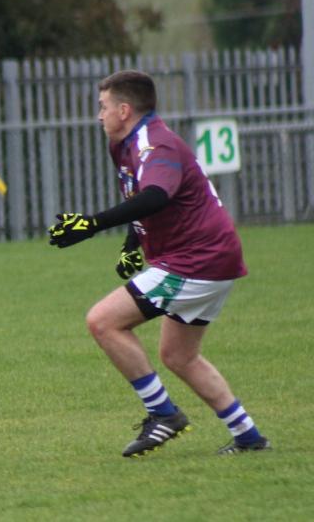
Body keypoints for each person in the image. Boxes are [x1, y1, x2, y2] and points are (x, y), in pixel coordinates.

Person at [47, 69, 270, 457]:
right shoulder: (126, 142)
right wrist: (133, 242)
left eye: (102, 107)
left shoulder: (155, 143)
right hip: (209, 257)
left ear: (124, 109)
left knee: (103, 321)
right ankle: (248, 435)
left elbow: (156, 196)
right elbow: (143, 196)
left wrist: (92, 223)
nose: (98, 115)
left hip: (197, 260)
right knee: (178, 355)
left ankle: (163, 414)